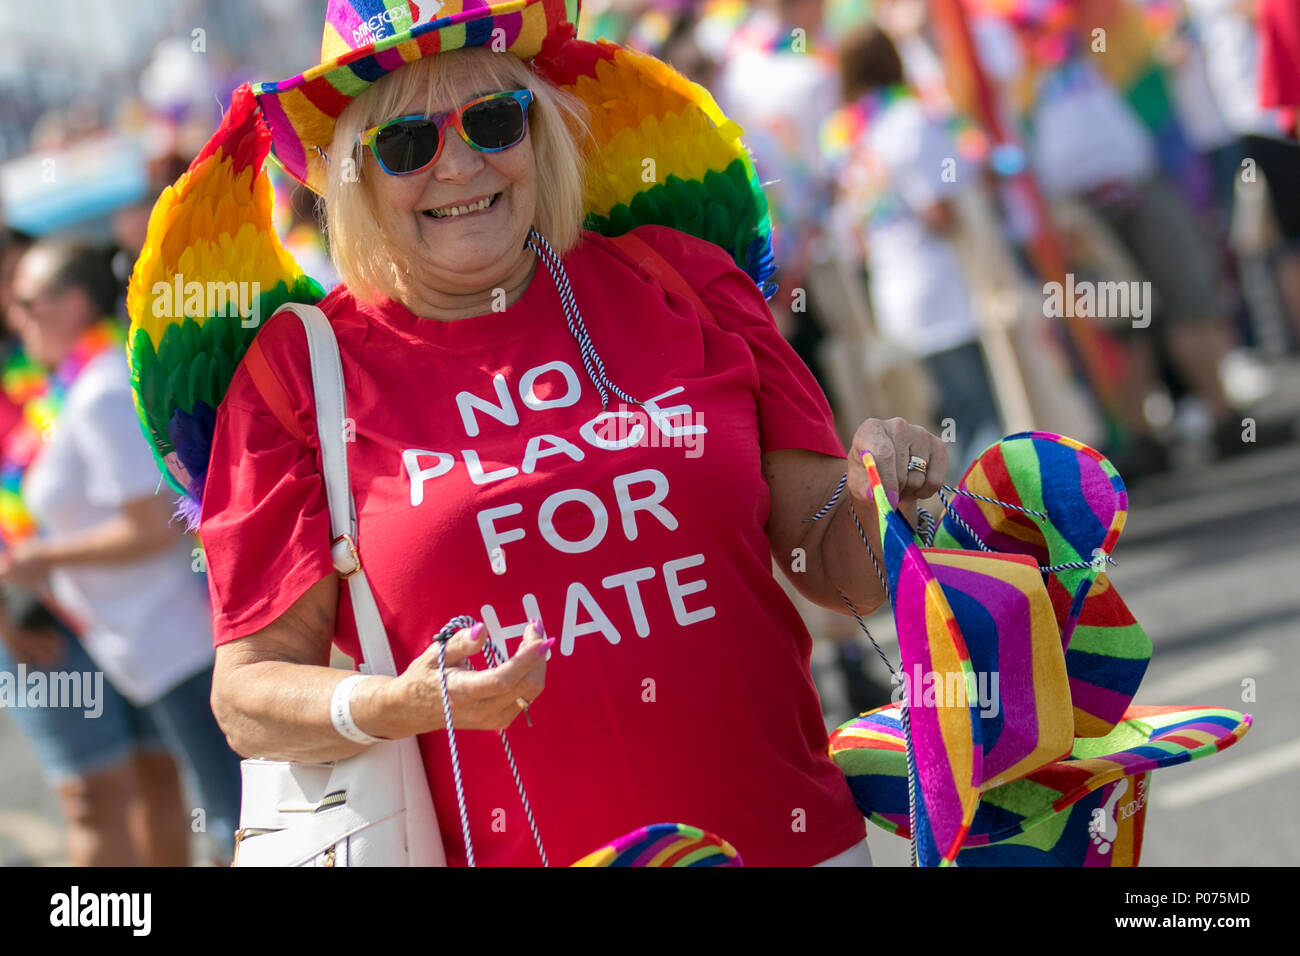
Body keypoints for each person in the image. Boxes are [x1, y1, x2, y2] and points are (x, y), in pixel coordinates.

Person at [197, 0, 950, 867]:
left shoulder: (682, 279)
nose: (459, 166)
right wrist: (395, 702)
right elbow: (247, 693)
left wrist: (890, 506)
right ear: (355, 174)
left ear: (540, 129)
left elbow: (834, 568)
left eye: (491, 121)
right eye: (408, 143)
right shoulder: (297, 374)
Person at [1, 240, 241, 863]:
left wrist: (45, 559)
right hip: (152, 644)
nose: (14, 317)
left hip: (174, 638)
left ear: (74, 305)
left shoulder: (102, 387)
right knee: (222, 812)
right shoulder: (76, 386)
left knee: (233, 818)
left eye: (27, 303)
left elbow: (156, 525)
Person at [824, 24, 1004, 476]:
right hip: (938, 285)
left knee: (936, 418)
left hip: (892, 293)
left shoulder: (848, 139)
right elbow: (938, 208)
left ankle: (961, 518)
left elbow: (851, 233)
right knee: (973, 411)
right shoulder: (909, 122)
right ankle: (981, 518)